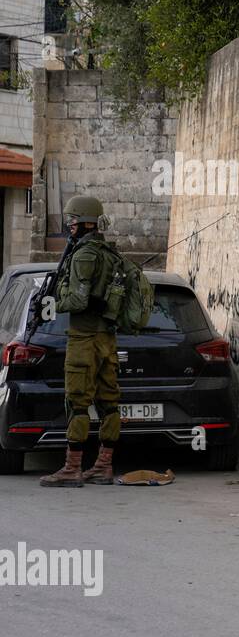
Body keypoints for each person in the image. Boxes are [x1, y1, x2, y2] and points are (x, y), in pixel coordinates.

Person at [40, 196, 121, 488]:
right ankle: (103, 466)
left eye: (72, 222)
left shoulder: (84, 255)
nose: (69, 227)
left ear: (87, 222)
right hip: (106, 339)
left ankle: (72, 467)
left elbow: (78, 299)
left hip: (84, 339)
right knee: (109, 402)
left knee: (77, 402)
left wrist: (52, 300)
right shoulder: (108, 252)